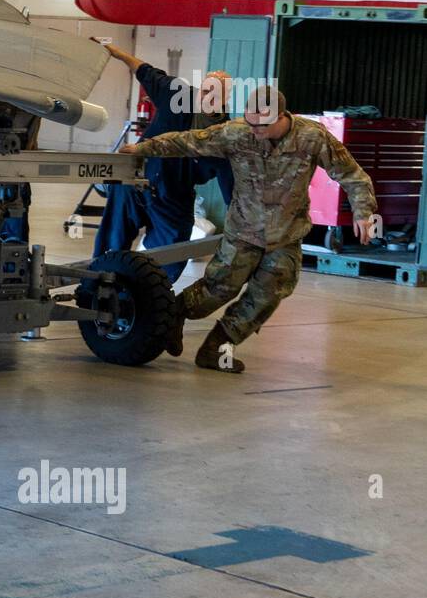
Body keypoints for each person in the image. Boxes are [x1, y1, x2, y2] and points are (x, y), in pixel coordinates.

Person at [123, 86, 378, 373]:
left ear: (282, 116)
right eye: (251, 122)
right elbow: (188, 141)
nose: (255, 130)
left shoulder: (312, 137)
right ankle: (175, 316)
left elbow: (352, 174)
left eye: (262, 125)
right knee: (218, 289)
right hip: (243, 231)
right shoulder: (237, 132)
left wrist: (363, 213)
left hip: (285, 235)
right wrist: (141, 147)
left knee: (268, 294)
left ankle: (216, 349)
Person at [94, 41, 235, 282]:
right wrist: (116, 52)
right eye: (205, 90)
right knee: (111, 243)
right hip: (134, 180)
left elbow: (231, 188)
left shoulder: (225, 137)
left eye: (215, 93)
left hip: (174, 196)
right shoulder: (175, 94)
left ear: (224, 99)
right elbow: (144, 69)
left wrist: (240, 223)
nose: (208, 96)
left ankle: (147, 296)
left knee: (171, 253)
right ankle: (97, 287)